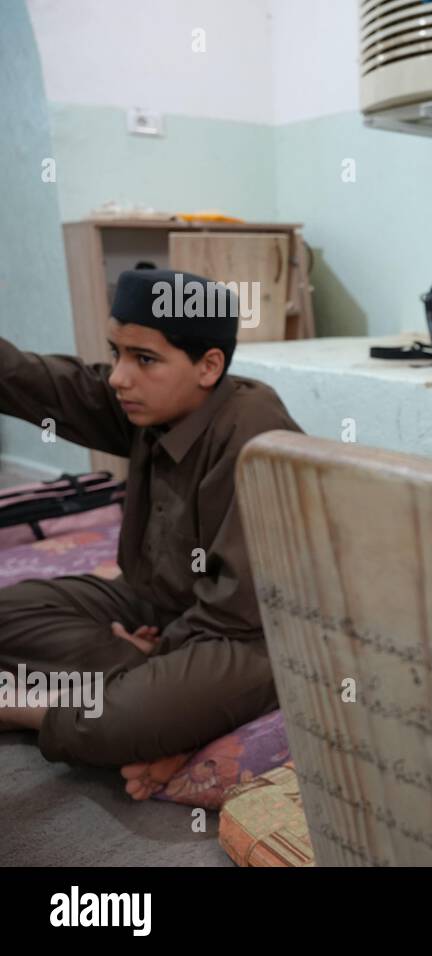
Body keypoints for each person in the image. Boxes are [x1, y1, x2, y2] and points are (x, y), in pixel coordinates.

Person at [0, 268, 301, 799]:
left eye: (143, 359)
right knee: (10, 612)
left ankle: (26, 709)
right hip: (156, 604)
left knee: (125, 719)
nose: (118, 376)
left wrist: (161, 659)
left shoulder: (252, 430)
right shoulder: (145, 404)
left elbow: (236, 611)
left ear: (209, 366)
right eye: (116, 352)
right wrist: (145, 658)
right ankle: (157, 705)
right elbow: (42, 383)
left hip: (245, 637)